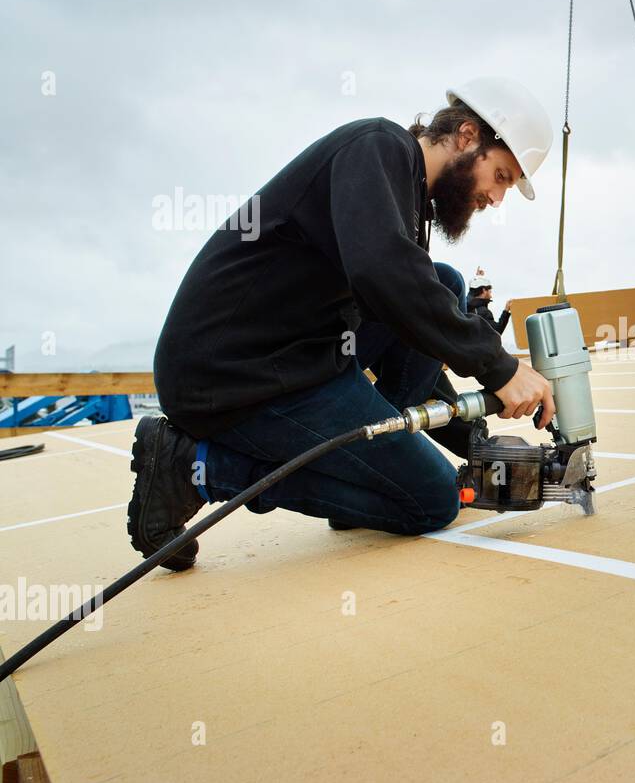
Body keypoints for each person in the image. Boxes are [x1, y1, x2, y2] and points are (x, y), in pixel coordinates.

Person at [130, 77, 555, 570]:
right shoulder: (376, 147)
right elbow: (386, 274)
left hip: (297, 352)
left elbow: (411, 324)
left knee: (441, 281)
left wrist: (474, 438)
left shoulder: (406, 197)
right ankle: (193, 467)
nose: (496, 199)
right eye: (501, 176)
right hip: (233, 374)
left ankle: (367, 475)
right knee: (432, 500)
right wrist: (499, 368)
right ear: (466, 136)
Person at [466, 268, 512, 335]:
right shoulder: (483, 312)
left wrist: (478, 279)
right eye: (490, 292)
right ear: (484, 290)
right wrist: (506, 310)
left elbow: (471, 295)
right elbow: (497, 331)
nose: (491, 296)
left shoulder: (465, 306)